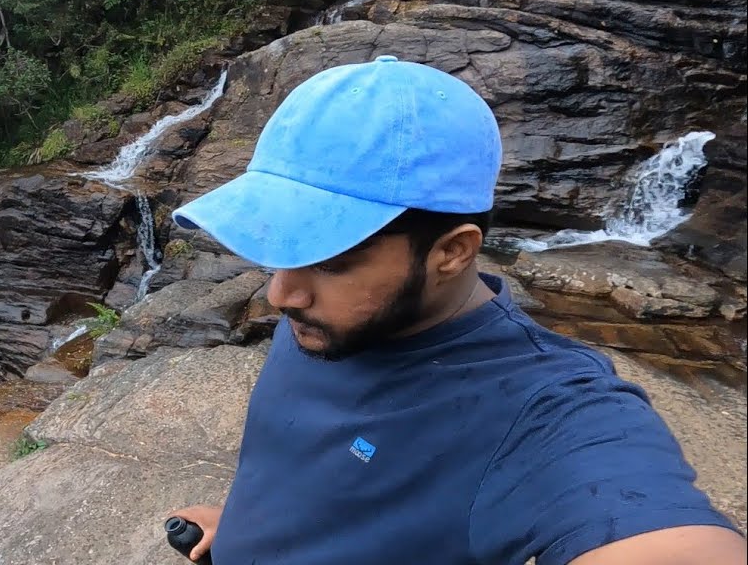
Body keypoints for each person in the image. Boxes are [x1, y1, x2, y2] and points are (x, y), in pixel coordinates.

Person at [166, 56, 745, 565]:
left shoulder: (546, 411)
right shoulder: (334, 316)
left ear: (452, 252)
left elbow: (658, 533)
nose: (280, 295)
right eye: (282, 247)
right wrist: (247, 528)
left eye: (331, 260)